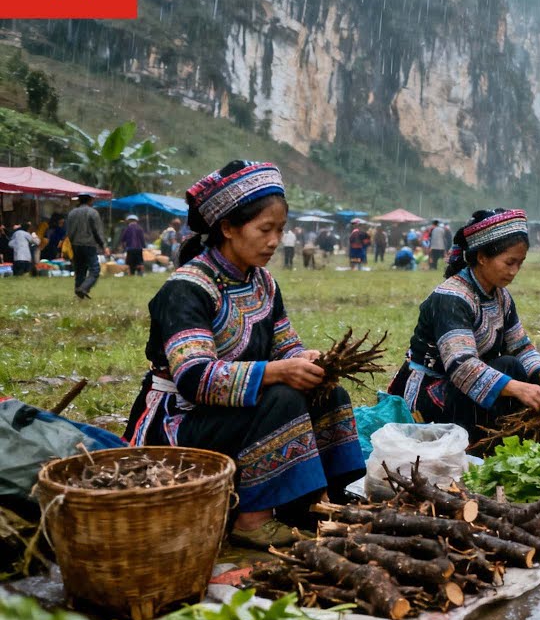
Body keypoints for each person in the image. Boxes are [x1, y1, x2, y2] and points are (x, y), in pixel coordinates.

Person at [122, 161, 363, 548]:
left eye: (280, 230)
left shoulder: (262, 281)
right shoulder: (187, 289)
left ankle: (320, 501)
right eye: (265, 230)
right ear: (228, 228)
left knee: (328, 393)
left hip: (230, 415)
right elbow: (194, 378)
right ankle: (252, 518)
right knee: (282, 397)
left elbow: (285, 345)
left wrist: (306, 359)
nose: (274, 241)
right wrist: (277, 372)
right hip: (180, 421)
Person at [387, 209, 540, 443]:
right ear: (482, 257)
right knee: (509, 370)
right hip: (433, 391)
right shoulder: (451, 298)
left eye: (519, 263)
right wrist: (517, 388)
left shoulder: (501, 296)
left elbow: (519, 345)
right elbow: (461, 366)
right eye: (509, 262)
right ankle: (487, 442)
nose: (514, 271)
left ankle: (510, 438)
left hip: (467, 385)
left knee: (515, 369)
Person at [65, 192, 108, 299]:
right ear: (90, 200)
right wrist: (104, 245)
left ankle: (78, 292)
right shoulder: (92, 213)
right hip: (89, 245)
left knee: (80, 270)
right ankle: (84, 288)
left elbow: (69, 232)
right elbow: (97, 231)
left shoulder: (72, 213)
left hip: (75, 245)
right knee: (95, 270)